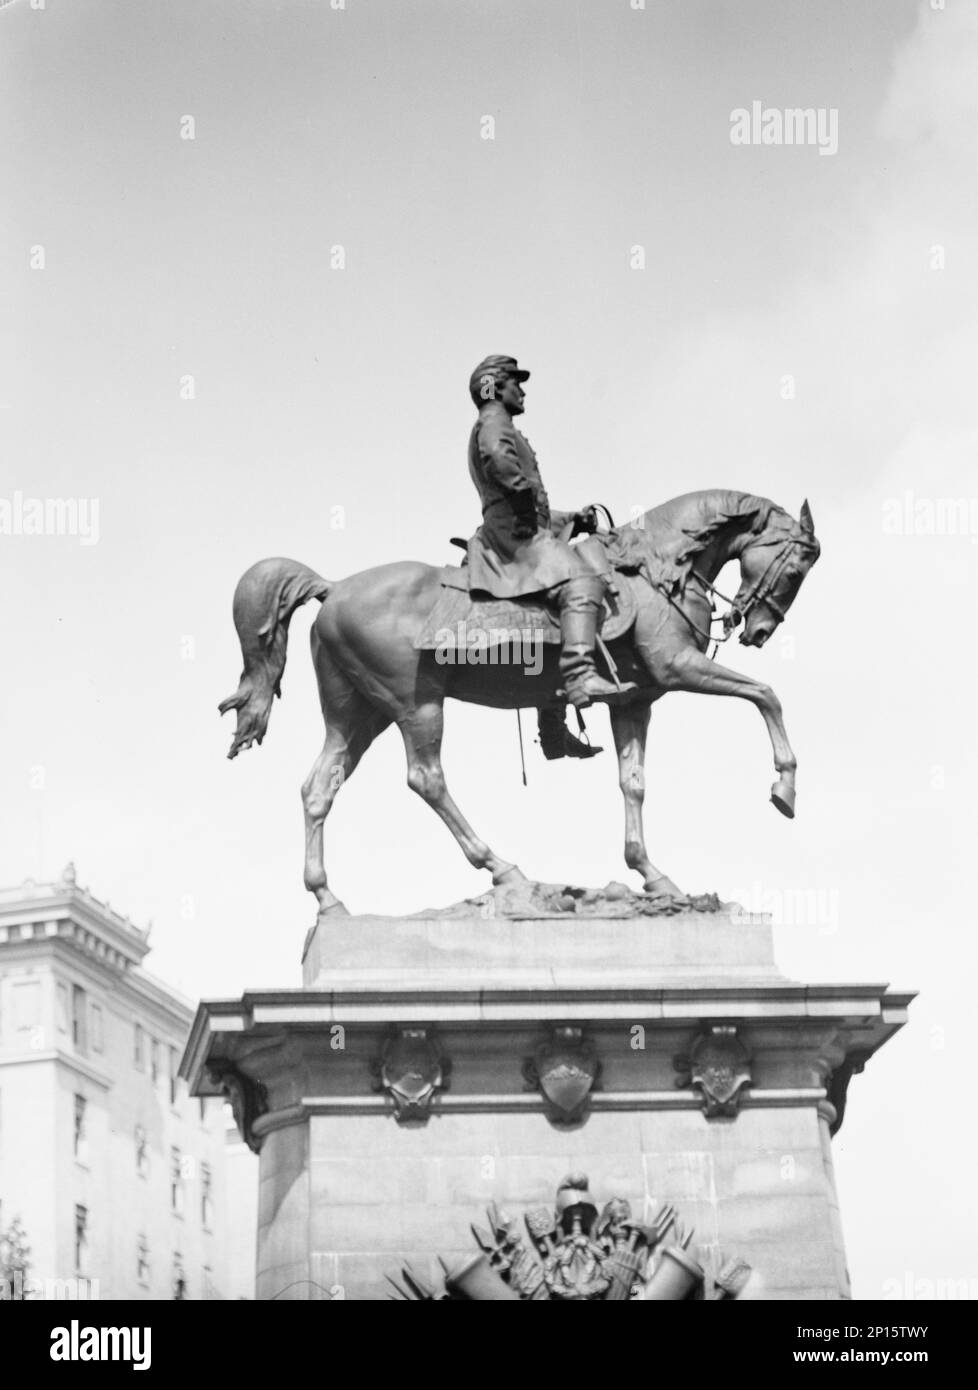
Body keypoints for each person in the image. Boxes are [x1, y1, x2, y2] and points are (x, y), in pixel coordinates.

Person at [466, 355, 634, 745]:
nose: (522, 390)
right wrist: (522, 497)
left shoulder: (501, 425)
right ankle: (580, 677)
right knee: (582, 583)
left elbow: (534, 505)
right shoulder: (493, 424)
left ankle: (553, 730)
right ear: (494, 386)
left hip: (523, 528)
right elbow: (498, 462)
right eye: (514, 382)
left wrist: (572, 517)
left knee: (551, 616)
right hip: (515, 537)